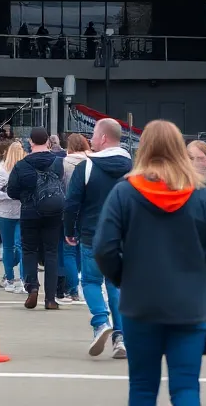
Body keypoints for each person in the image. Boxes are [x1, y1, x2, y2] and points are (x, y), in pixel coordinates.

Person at [94, 119, 206, 406]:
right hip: (189, 303)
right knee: (185, 388)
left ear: (143, 148)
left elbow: (104, 248)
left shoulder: (125, 192)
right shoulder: (201, 195)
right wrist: (198, 277)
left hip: (140, 302)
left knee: (143, 388)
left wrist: (126, 278)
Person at [65, 118, 133, 356]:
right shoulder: (133, 166)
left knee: (91, 281)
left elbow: (72, 202)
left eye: (94, 135)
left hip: (92, 233)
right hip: (124, 235)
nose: (91, 140)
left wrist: (69, 230)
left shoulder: (87, 167)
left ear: (103, 138)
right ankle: (121, 337)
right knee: (117, 284)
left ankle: (100, 322)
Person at [7, 126, 68, 310]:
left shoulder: (21, 165)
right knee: (51, 252)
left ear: (31, 142)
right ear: (48, 141)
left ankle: (32, 286)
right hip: (54, 212)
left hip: (30, 211)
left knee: (29, 250)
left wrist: (27, 197)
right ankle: (50, 298)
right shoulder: (59, 162)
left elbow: (11, 191)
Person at [0, 139, 25, 293]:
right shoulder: (3, 170)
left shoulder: (0, 169)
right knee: (18, 246)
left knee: (11, 247)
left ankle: (10, 278)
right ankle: (18, 279)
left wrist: (8, 196)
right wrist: (14, 196)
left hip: (7, 212)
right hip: (16, 212)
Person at [61, 133, 92, 302]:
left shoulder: (64, 163)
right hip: (88, 210)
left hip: (69, 208)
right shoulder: (92, 162)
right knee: (82, 249)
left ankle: (72, 289)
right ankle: (82, 283)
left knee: (68, 251)